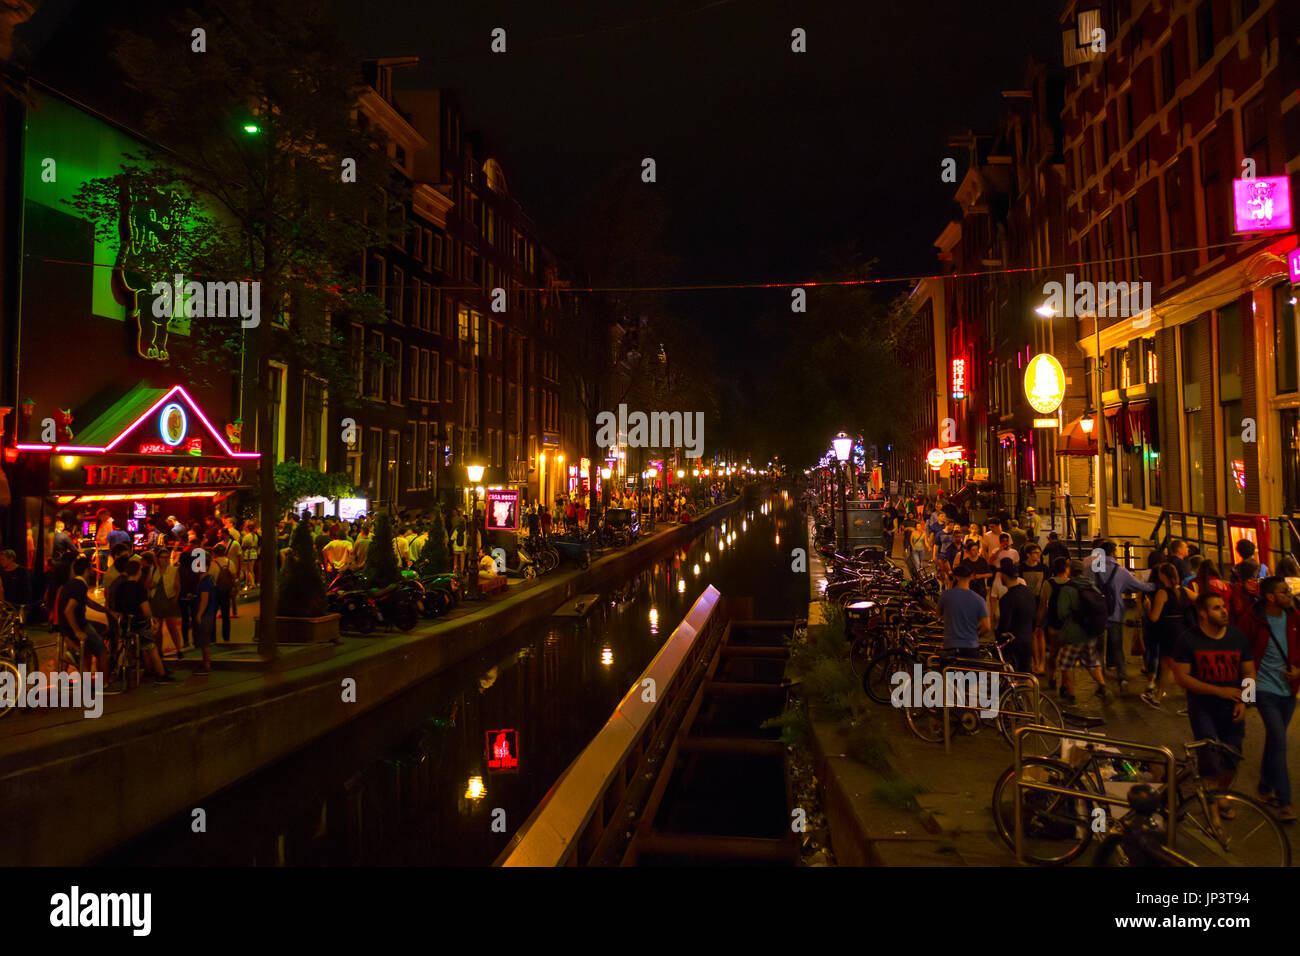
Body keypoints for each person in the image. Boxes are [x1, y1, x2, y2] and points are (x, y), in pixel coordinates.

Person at [1171, 592, 1256, 820]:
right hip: (1203, 708)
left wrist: (1245, 701)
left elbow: (1249, 673)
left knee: (1232, 757)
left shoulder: (1238, 638)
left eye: (1224, 606)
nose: (1224, 611)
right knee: (1209, 758)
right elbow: (1182, 678)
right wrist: (1220, 691)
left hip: (1233, 707)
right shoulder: (1188, 640)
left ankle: (1221, 795)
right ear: (1203, 613)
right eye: (1217, 608)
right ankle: (1212, 813)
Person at [1238, 576, 1300, 822]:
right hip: (1264, 690)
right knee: (1279, 740)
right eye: (1285, 591)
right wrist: (1247, 695)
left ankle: (1264, 787)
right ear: (1271, 596)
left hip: (1288, 690)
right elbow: (1242, 656)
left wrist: (1298, 672)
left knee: (1275, 740)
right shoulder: (1252, 619)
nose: (1290, 595)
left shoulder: (1295, 617)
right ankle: (1285, 802)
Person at [1055, 558, 1109, 704]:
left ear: (1069, 571)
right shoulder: (1092, 586)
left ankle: (1071, 694)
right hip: (1090, 631)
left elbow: (1061, 612)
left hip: (1073, 633)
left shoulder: (1067, 588)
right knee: (1091, 661)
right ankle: (1102, 686)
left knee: (1067, 663)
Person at [110, 557, 172, 682]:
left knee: (130, 645)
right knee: (150, 646)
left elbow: (116, 608)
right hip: (140, 622)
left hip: (125, 622)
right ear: (138, 571)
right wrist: (152, 620)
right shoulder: (139, 588)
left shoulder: (120, 587)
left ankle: (144, 669)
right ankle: (161, 674)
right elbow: (146, 609)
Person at [1141, 563, 1190, 709]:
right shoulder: (1183, 590)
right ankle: (1157, 696)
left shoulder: (1163, 593)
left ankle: (1190, 699)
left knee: (1171, 666)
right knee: (1167, 665)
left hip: (1168, 630)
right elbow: (1198, 598)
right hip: (1181, 628)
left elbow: (1154, 617)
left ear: (1163, 575)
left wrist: (1148, 606)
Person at [58, 556, 109, 677]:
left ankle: (83, 650)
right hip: (77, 625)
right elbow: (69, 610)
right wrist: (77, 631)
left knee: (104, 628)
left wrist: (105, 610)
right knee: (102, 652)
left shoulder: (74, 584)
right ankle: (104, 682)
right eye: (91, 567)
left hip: (67, 625)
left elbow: (88, 602)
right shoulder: (79, 586)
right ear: (87, 570)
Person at [993, 558, 1037, 673]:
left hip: (1013, 643)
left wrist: (996, 636)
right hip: (1028, 639)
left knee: (1008, 673)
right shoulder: (1028, 593)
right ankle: (1028, 691)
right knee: (1026, 674)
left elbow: (1004, 625)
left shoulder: (1007, 599)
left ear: (1004, 576)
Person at [938, 564, 990, 657]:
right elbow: (986, 626)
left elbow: (938, 614)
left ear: (955, 577)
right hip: (971, 646)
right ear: (970, 577)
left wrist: (950, 584)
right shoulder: (979, 599)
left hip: (950, 645)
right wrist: (977, 635)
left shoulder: (946, 596)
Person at [147, 548, 184, 663]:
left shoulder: (173, 570)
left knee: (172, 626)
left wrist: (175, 598)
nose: (166, 560)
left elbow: (177, 586)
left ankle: (179, 649)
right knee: (158, 629)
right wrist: (151, 586)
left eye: (167, 557)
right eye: (163, 557)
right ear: (158, 559)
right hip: (156, 600)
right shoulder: (153, 570)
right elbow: (147, 585)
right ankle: (159, 651)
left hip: (169, 600)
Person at [192, 557, 218, 674]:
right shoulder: (206, 579)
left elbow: (204, 599)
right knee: (204, 640)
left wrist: (199, 614)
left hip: (206, 613)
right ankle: (205, 663)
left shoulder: (205, 581)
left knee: (205, 640)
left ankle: (207, 664)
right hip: (208, 612)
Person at [209, 543, 237, 642]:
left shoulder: (213, 563)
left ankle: (213, 638)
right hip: (226, 591)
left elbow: (210, 577)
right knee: (226, 615)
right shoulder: (230, 563)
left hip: (216, 591)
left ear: (216, 553)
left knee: (212, 615)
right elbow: (233, 576)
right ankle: (226, 637)